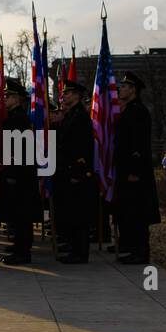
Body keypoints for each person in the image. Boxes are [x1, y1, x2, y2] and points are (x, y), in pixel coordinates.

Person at [113, 71, 161, 264]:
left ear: (133, 90)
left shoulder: (138, 111)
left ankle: (140, 252)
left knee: (138, 212)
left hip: (135, 172)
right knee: (129, 211)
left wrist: (134, 171)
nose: (120, 89)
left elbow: (138, 145)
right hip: (127, 170)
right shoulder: (129, 110)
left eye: (124, 86)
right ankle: (132, 248)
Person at [0, 78, 39, 265]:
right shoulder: (16, 118)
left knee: (21, 214)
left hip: (19, 174)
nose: (5, 98)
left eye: (9, 96)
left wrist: (12, 173)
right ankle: (20, 246)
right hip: (20, 173)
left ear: (18, 99)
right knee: (17, 213)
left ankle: (23, 252)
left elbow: (18, 150)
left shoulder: (18, 119)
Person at [55, 79, 95, 263]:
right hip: (66, 170)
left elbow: (82, 147)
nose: (64, 96)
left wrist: (78, 173)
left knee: (79, 214)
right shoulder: (71, 115)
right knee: (70, 212)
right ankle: (74, 248)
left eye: (68, 93)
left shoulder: (80, 117)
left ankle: (80, 252)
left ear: (78, 96)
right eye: (64, 93)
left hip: (76, 172)